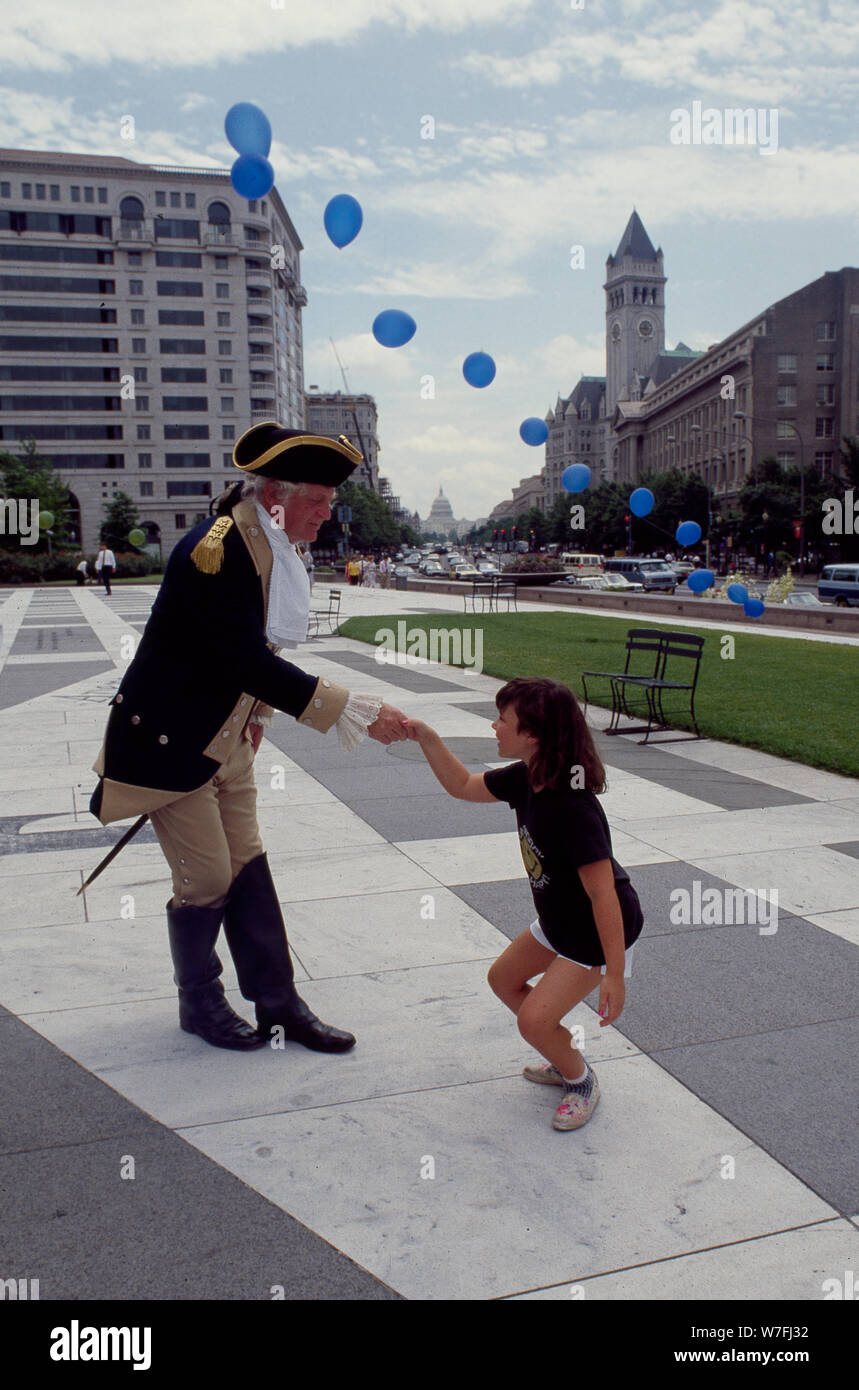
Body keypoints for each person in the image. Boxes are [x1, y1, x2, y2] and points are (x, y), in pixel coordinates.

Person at [89, 423, 410, 1056]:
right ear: (276, 498)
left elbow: (249, 653)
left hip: (229, 740)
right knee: (208, 877)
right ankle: (200, 1002)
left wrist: (257, 717)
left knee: (248, 865)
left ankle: (278, 1004)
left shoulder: (267, 545)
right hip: (170, 743)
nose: (326, 514)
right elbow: (241, 657)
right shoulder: (217, 549)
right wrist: (353, 711)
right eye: (317, 501)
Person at [403, 677, 643, 1132]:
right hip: (559, 921)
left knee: (532, 1022)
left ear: (531, 733)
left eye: (502, 719)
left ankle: (580, 1080)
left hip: (594, 934)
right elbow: (463, 785)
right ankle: (562, 1051)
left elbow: (603, 893)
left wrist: (614, 973)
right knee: (503, 980)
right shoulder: (528, 776)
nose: (494, 727)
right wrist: (427, 738)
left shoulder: (573, 807)